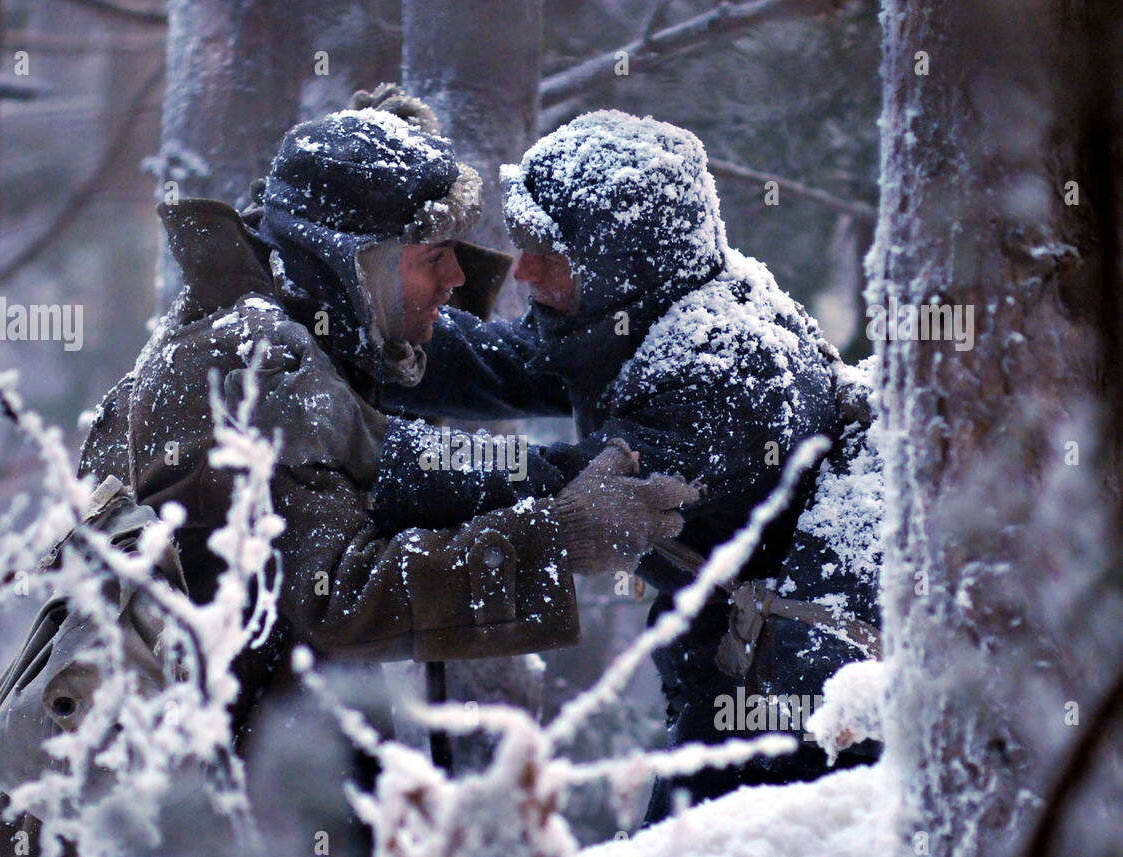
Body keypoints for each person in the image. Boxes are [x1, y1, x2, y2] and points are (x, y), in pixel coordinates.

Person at [0, 92, 695, 857]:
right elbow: (335, 598)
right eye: (431, 255)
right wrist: (555, 541)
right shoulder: (251, 370)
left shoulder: (291, 307)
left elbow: (429, 415)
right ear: (355, 262)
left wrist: (367, 169)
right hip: (174, 846)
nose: (458, 280)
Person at [355, 109, 883, 820]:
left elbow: (550, 484)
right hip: (735, 660)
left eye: (553, 251)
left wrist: (365, 454)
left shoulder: (724, 373)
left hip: (792, 705)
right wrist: (367, 305)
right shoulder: (647, 309)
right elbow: (507, 361)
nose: (525, 270)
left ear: (622, 259)